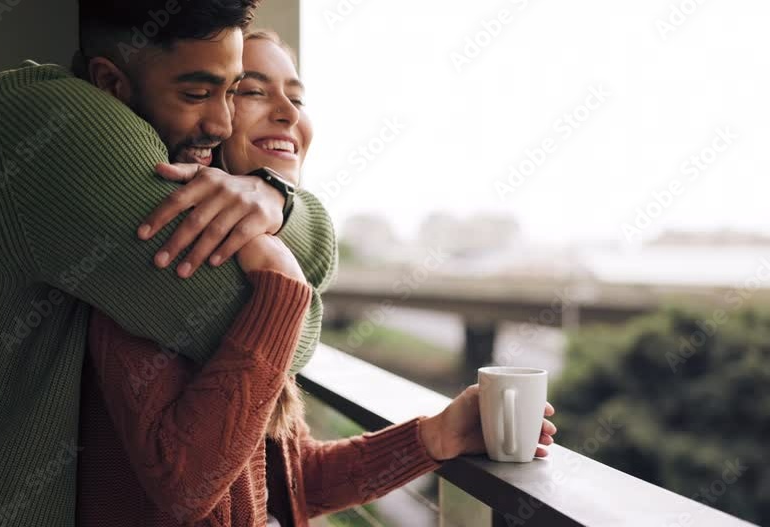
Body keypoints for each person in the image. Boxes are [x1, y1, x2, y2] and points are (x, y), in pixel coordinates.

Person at [0, 1, 339, 525]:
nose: (221, 121)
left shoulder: (51, 113)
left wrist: (274, 197)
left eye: (233, 91)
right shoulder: (60, 127)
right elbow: (291, 328)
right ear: (110, 81)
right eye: (196, 93)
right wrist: (280, 257)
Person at [78, 30, 558, 527]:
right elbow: (184, 485)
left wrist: (434, 437)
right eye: (254, 90)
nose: (288, 112)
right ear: (212, 117)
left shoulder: (239, 274)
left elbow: (286, 482)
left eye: (298, 96)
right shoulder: (156, 262)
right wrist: (283, 291)